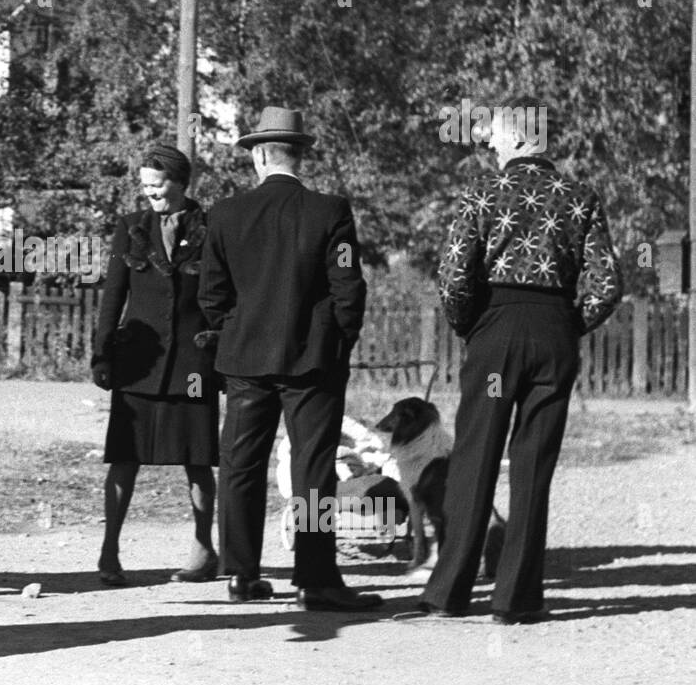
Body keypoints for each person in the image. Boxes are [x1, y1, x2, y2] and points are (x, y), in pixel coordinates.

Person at [425, 96, 621, 623]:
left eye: (491, 137)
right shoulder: (581, 195)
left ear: (514, 138)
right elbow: (605, 284)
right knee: (534, 466)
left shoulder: (483, 193)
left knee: (474, 457)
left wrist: (473, 326)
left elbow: (454, 276)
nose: (488, 146)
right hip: (554, 330)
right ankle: (515, 599)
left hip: (496, 329)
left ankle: (449, 592)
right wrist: (565, 325)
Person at [199, 106, 382, 610]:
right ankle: (315, 578)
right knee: (313, 467)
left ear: (259, 155)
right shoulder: (331, 212)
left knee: (240, 464)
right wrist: (338, 342)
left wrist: (230, 336)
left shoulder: (224, 215)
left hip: (244, 360)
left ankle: (240, 574)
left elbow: (211, 294)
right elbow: (349, 286)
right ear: (299, 155)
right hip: (314, 361)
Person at [90, 144, 219, 586]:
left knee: (198, 460)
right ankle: (109, 553)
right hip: (137, 362)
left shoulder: (213, 227)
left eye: (158, 185)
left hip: (194, 364)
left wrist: (220, 353)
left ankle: (204, 551)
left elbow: (225, 297)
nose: (150, 194)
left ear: (181, 183)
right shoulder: (131, 228)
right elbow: (113, 296)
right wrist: (102, 353)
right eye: (144, 186)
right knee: (124, 459)